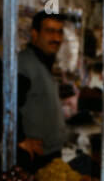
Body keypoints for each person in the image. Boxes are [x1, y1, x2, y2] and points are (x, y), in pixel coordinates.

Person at [15, 11, 69, 163]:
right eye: (50, 31)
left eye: (59, 32)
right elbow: (5, 104)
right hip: (33, 158)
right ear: (34, 33)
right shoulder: (24, 64)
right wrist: (20, 140)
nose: (56, 38)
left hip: (49, 155)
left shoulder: (44, 62)